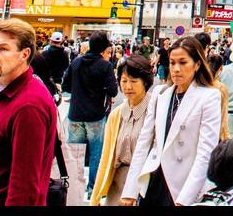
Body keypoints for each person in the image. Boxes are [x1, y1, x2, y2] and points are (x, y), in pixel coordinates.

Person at [122, 36, 223, 206]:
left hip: (184, 183)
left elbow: (206, 152)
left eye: (183, 62)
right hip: (154, 179)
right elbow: (144, 142)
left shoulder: (209, 96)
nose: (176, 69)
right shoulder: (161, 93)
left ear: (197, 64)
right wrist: (130, 189)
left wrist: (185, 199)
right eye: (172, 62)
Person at [0, 19, 58, 206]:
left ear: (24, 54)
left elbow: (25, 188)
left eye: (3, 49)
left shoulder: (28, 105)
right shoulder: (11, 93)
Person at [90, 56, 153, 206]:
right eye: (124, 81)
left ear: (145, 81)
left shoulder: (154, 111)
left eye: (133, 81)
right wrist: (96, 196)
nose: (128, 87)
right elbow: (106, 158)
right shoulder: (116, 115)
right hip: (117, 184)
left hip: (145, 184)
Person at [64, 31, 118, 192]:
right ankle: (92, 187)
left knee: (74, 153)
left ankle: (73, 184)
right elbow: (113, 90)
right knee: (96, 152)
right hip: (95, 115)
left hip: (75, 114)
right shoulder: (105, 65)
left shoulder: (76, 62)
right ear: (103, 48)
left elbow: (66, 86)